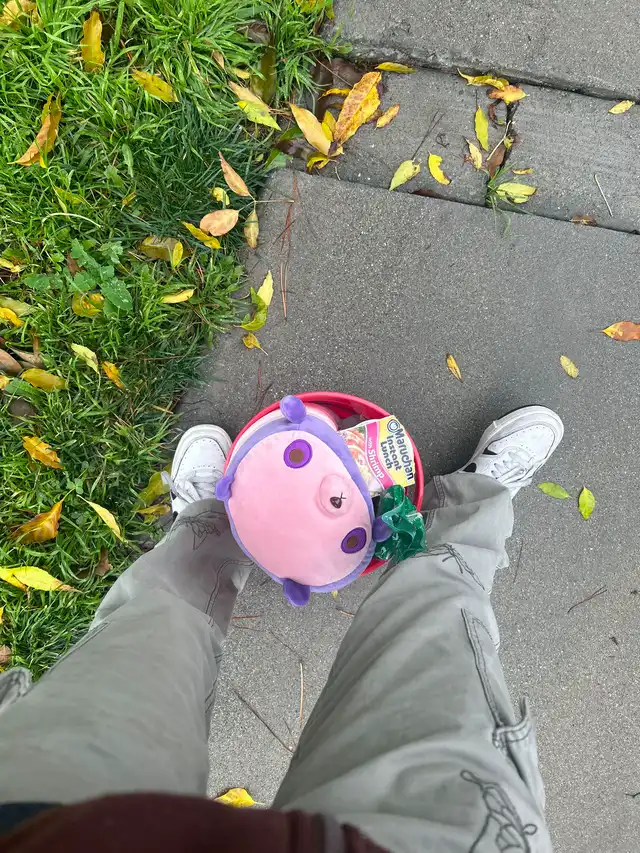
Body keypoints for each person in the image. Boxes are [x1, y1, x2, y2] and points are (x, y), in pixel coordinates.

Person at [0, 406, 562, 852]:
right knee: (437, 627)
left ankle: (211, 521)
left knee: (155, 631)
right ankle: (470, 510)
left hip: (46, 812)